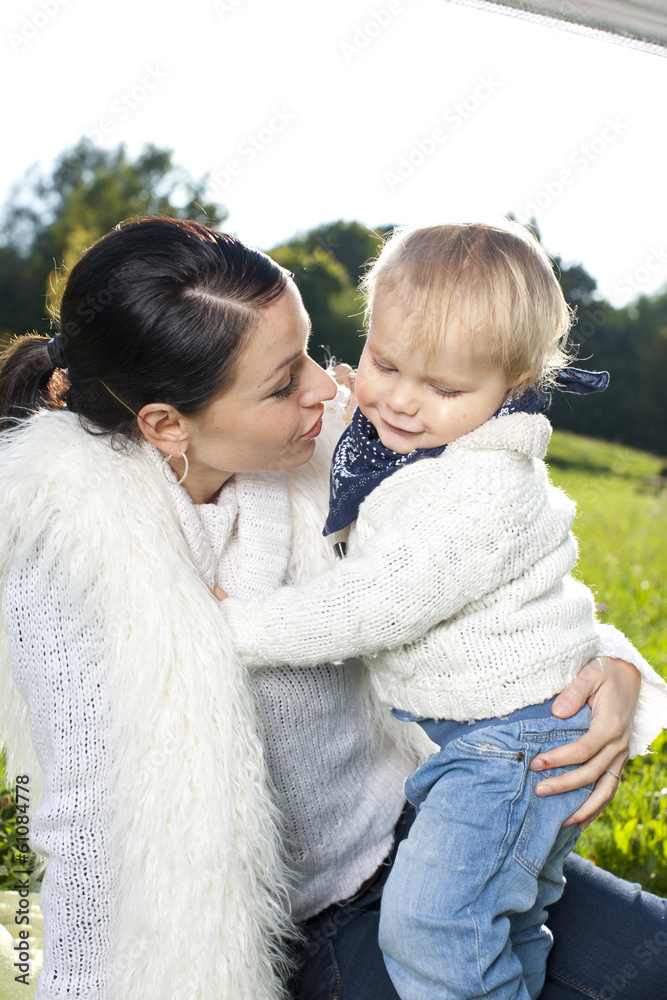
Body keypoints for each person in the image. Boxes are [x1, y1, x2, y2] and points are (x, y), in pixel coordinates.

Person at [0, 217, 663, 1000]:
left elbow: (491, 567)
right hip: (315, 928)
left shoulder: (346, 440)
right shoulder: (76, 556)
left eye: (312, 350)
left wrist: (611, 668)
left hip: (437, 818)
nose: (327, 385)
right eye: (283, 381)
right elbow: (82, 831)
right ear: (166, 425)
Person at [218, 220, 667, 999]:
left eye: (446, 389)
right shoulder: (398, 446)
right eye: (385, 364)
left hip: (511, 746)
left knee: (432, 932)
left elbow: (369, 609)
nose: (399, 401)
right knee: (510, 929)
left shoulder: (475, 488)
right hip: (497, 742)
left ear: (512, 385)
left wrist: (228, 627)